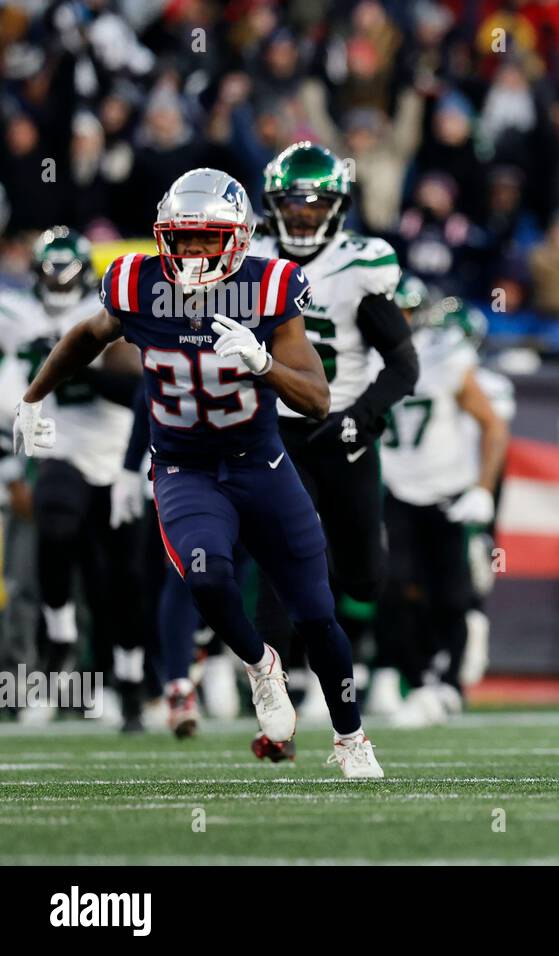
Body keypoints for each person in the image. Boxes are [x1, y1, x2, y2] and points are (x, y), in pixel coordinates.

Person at [13, 168, 382, 777]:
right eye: (179, 238)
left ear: (236, 238)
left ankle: (352, 739)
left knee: (316, 614)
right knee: (207, 579)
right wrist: (33, 399)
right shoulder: (135, 280)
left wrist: (264, 363)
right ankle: (261, 665)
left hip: (262, 466)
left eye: (206, 238)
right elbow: (85, 338)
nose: (190, 252)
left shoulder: (269, 286)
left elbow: (317, 399)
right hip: (185, 468)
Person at [251, 142, 418, 720]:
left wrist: (357, 420)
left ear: (337, 207)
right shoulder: (251, 261)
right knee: (284, 555)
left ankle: (370, 662)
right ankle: (274, 688)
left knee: (364, 577)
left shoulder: (359, 265)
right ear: (272, 206)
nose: (300, 216)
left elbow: (403, 366)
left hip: (343, 430)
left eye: (313, 205)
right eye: (291, 205)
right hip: (275, 429)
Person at [5, 227, 145, 729]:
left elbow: (135, 387)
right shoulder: (16, 314)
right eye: (48, 272)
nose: (57, 284)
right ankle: (60, 637)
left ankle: (126, 684)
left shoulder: (110, 309)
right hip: (59, 445)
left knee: (121, 582)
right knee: (56, 529)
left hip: (117, 457)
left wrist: (79, 367)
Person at [376, 274, 509, 725]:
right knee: (393, 588)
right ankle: (418, 683)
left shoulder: (444, 356)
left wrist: (482, 490)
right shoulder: (364, 356)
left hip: (448, 491)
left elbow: (492, 425)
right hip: (395, 489)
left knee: (451, 596)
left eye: (408, 310)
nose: (401, 319)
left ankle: (448, 683)